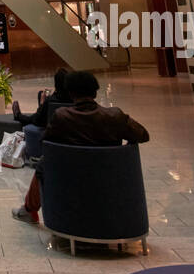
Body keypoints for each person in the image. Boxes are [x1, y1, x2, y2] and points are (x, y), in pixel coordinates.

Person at [12, 70, 149, 224]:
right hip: (109, 182)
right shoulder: (115, 116)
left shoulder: (62, 117)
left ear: (71, 93)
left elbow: (46, 145)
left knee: (44, 163)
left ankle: (29, 210)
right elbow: (143, 135)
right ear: (95, 92)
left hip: (70, 180)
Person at [11, 67, 72, 163]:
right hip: (65, 126)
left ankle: (19, 116)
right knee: (41, 95)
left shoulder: (51, 100)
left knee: (33, 117)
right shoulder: (74, 99)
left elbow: (38, 120)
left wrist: (43, 103)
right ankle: (23, 115)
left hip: (47, 124)